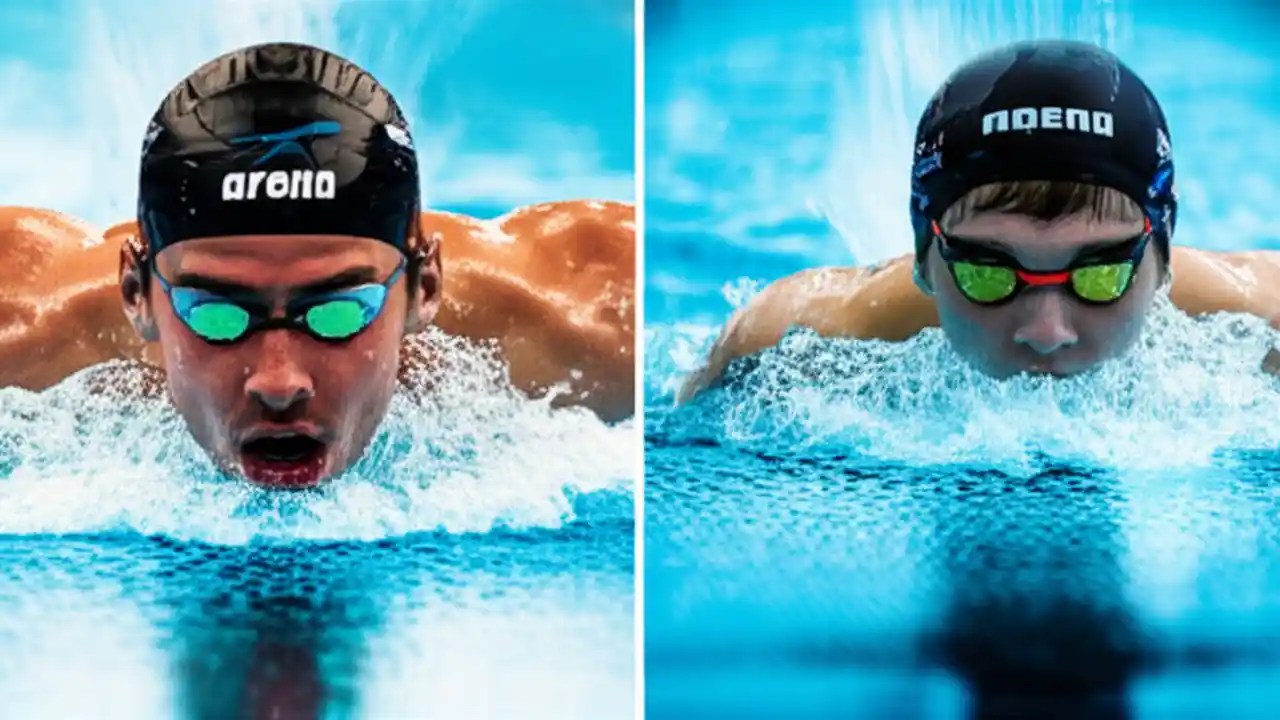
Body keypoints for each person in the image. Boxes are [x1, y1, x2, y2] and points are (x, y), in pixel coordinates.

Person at [0, 42, 634, 488]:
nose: (278, 382)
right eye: (217, 316)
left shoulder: (586, 326)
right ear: (135, 293)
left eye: (338, 312)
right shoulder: (25, 332)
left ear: (424, 286)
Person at [680, 39, 1280, 402]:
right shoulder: (784, 344)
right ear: (924, 257)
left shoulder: (1266, 324)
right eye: (987, 273)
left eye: (1101, 274)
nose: (1046, 333)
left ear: (1162, 257)